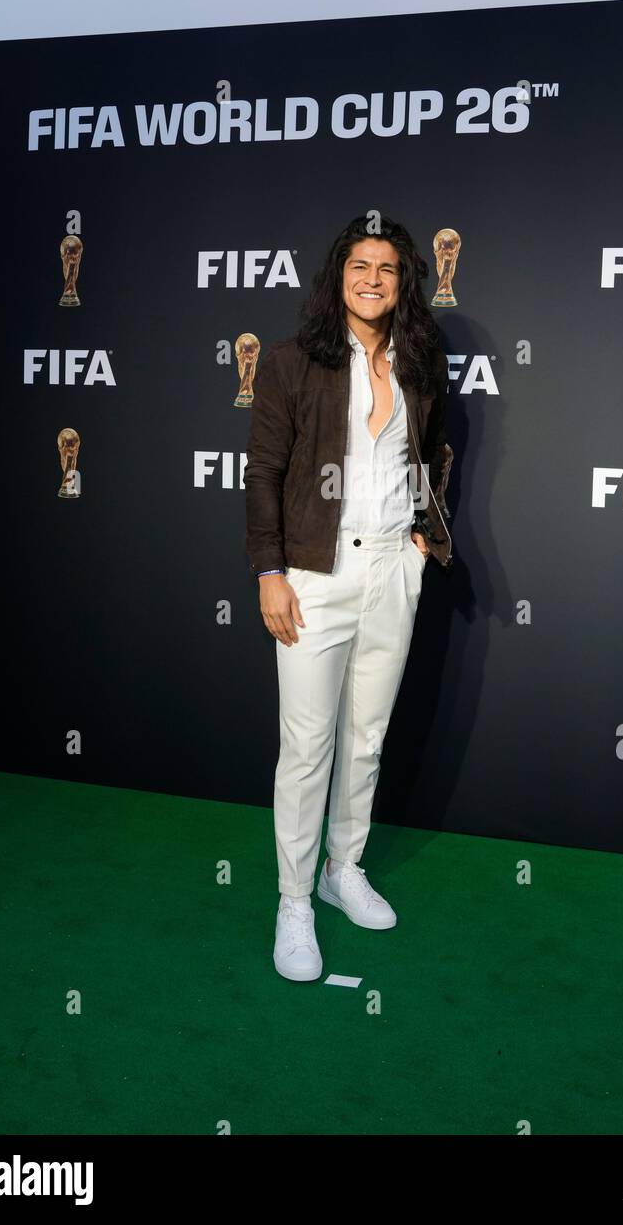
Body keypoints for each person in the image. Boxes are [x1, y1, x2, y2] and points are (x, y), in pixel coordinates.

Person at [244, 214, 453, 981]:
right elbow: (263, 470)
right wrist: (269, 570)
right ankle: (293, 901)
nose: (372, 278)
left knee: (366, 737)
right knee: (307, 748)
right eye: (359, 265)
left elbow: (431, 455)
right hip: (313, 577)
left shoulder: (420, 362)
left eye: (388, 268)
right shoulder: (293, 361)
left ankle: (343, 870)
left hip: (394, 570)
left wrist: (427, 538)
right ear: (339, 276)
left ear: (404, 283)